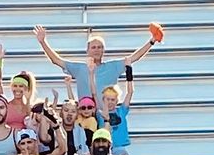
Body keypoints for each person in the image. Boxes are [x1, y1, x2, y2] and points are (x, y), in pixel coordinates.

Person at [33, 24, 162, 99]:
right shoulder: (79, 68)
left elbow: (134, 57)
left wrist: (152, 41)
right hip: (86, 114)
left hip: (106, 115)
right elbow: (56, 60)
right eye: (93, 47)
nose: (96, 50)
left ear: (103, 50)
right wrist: (43, 42)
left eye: (99, 47)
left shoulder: (113, 67)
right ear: (87, 50)